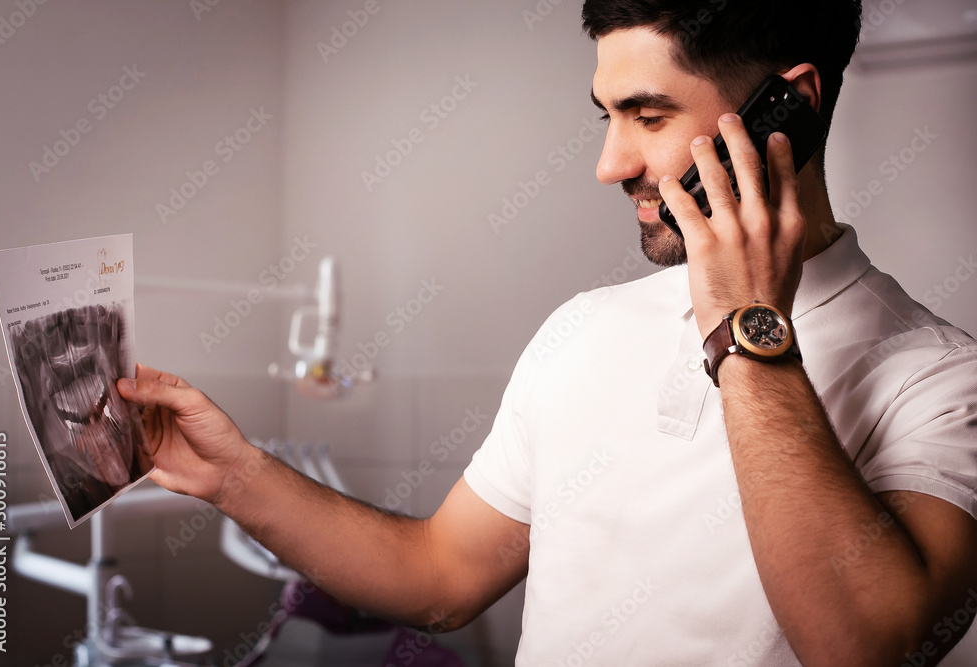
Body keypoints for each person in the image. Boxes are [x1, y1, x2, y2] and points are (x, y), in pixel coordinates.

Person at [117, 1, 977, 664]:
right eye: (606, 115)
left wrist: (743, 328)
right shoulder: (582, 330)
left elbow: (864, 647)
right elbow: (441, 578)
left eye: (648, 116)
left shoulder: (941, 380)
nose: (610, 164)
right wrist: (233, 477)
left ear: (789, 108)